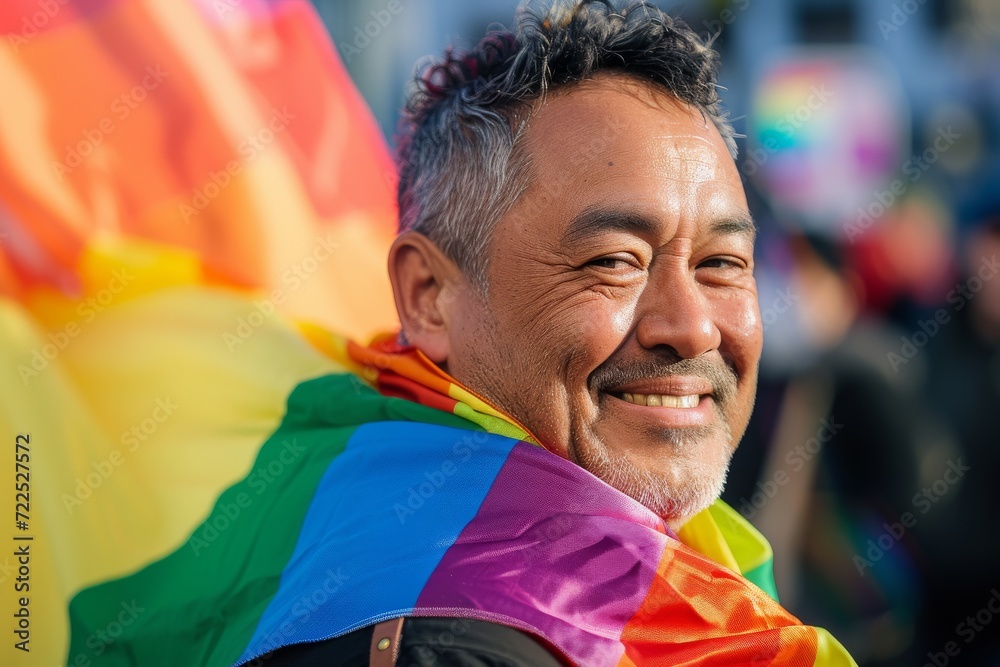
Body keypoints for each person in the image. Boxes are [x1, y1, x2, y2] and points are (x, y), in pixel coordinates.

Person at [253, 1, 857, 664]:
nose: (690, 326)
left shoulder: (663, 568)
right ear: (429, 296)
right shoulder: (447, 638)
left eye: (722, 265)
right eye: (614, 262)